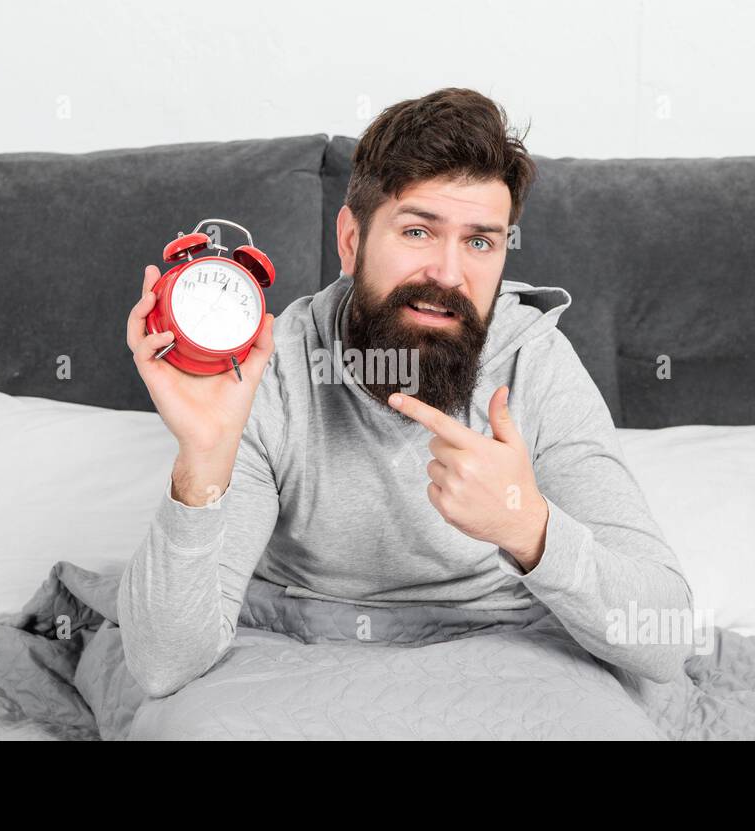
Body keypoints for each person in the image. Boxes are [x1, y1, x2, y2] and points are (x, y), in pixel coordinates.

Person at [119, 87, 694, 699]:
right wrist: (204, 461)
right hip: (299, 652)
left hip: (500, 651)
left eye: (480, 242)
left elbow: (664, 637)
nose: (448, 274)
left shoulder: (534, 362)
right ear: (350, 240)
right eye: (418, 231)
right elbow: (163, 665)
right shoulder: (274, 369)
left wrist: (527, 525)